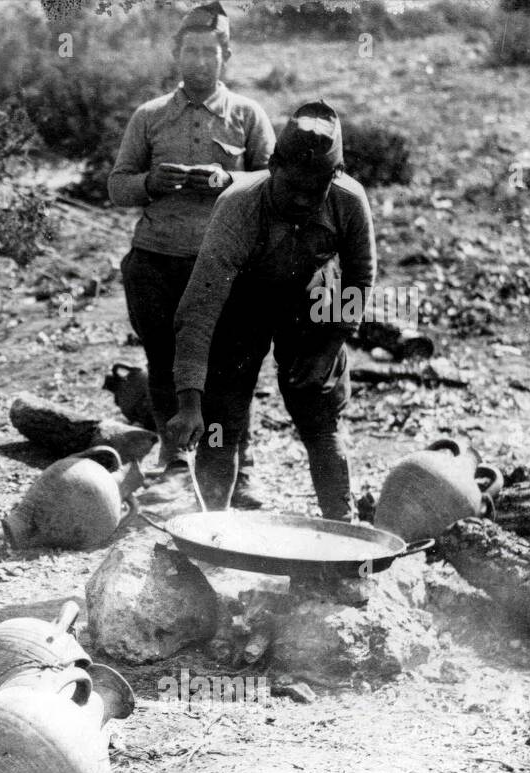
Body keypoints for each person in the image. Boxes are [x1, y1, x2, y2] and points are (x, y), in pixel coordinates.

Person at [166, 101, 377, 522]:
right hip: (243, 304)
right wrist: (190, 401)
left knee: (319, 417)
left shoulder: (349, 201)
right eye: (291, 186)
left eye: (312, 190)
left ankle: (342, 526)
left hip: (314, 302)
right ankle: (211, 532)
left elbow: (360, 276)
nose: (300, 199)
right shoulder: (238, 206)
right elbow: (200, 308)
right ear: (272, 165)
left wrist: (330, 344)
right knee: (220, 424)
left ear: (333, 178)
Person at [108, 1, 273, 507]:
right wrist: (149, 182)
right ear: (177, 55)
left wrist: (230, 180)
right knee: (163, 363)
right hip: (157, 262)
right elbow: (117, 186)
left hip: (227, 269)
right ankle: (177, 464)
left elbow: (276, 184)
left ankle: (234, 469)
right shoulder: (150, 116)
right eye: (191, 52)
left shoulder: (247, 115)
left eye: (210, 52)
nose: (200, 62)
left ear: (226, 56)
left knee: (229, 370)